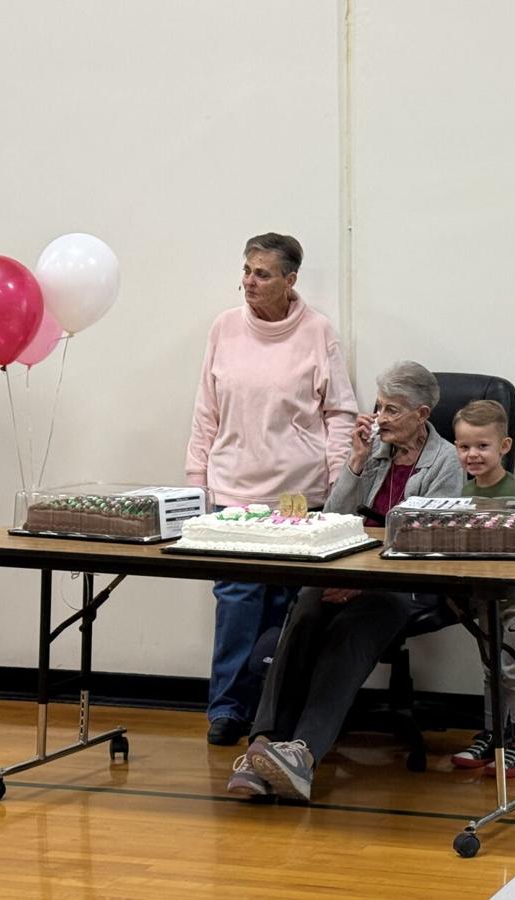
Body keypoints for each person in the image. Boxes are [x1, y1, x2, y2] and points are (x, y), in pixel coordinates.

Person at [226, 361, 464, 801]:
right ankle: (261, 745)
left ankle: (303, 754)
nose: (381, 418)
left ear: (423, 415)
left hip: (402, 581)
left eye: (393, 410)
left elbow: (423, 541)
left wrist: (362, 583)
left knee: (351, 632)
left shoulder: (445, 462)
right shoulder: (372, 451)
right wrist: (354, 463)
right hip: (350, 566)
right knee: (305, 611)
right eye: (379, 407)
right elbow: (334, 516)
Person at [186, 233, 357, 745]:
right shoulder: (224, 328)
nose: (249, 282)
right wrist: (197, 482)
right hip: (232, 489)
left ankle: (274, 715)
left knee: (288, 612)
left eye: (262, 273)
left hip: (299, 496)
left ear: (290, 280)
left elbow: (340, 413)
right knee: (236, 605)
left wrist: (337, 482)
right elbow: (205, 410)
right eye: (246, 270)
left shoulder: (317, 331)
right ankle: (226, 711)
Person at [447, 399, 515, 778]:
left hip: (512, 598)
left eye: (482, 446)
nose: (472, 454)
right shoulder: (458, 495)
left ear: (504, 447)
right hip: (480, 596)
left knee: (512, 669)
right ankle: (493, 734)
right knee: (490, 668)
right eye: (464, 446)